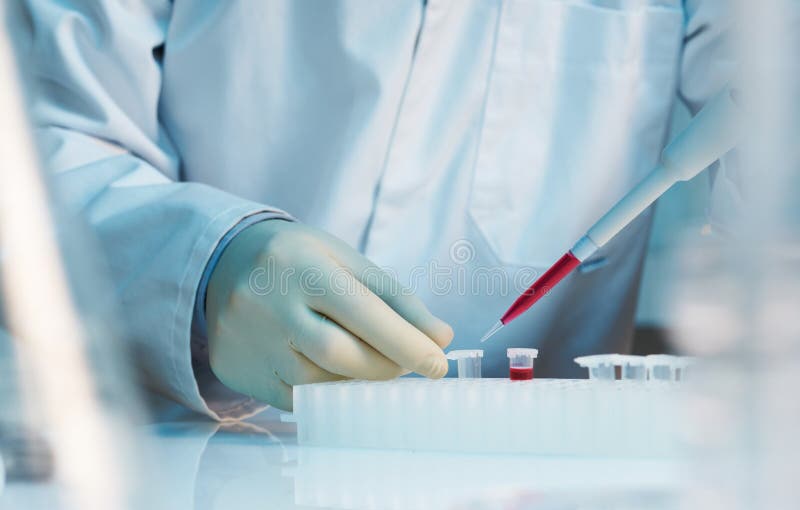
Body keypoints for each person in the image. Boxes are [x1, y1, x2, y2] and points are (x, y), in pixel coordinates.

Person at [10, 0, 735, 418]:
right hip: (191, 459)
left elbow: (765, 108)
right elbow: (36, 143)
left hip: (540, 493)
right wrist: (200, 268)